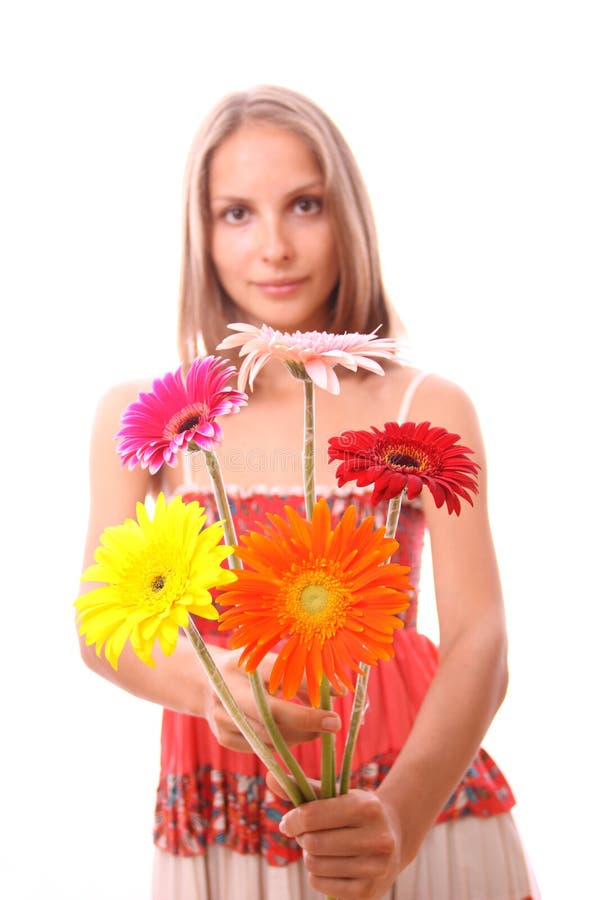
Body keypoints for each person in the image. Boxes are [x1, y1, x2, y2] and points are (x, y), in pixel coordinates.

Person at [78, 85, 539, 900]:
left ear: (348, 216)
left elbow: (482, 640)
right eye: (237, 214)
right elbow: (101, 627)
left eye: (304, 204)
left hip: (407, 795)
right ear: (201, 231)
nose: (276, 248)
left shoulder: (424, 408)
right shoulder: (142, 417)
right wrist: (216, 686)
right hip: (221, 798)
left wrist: (396, 819)